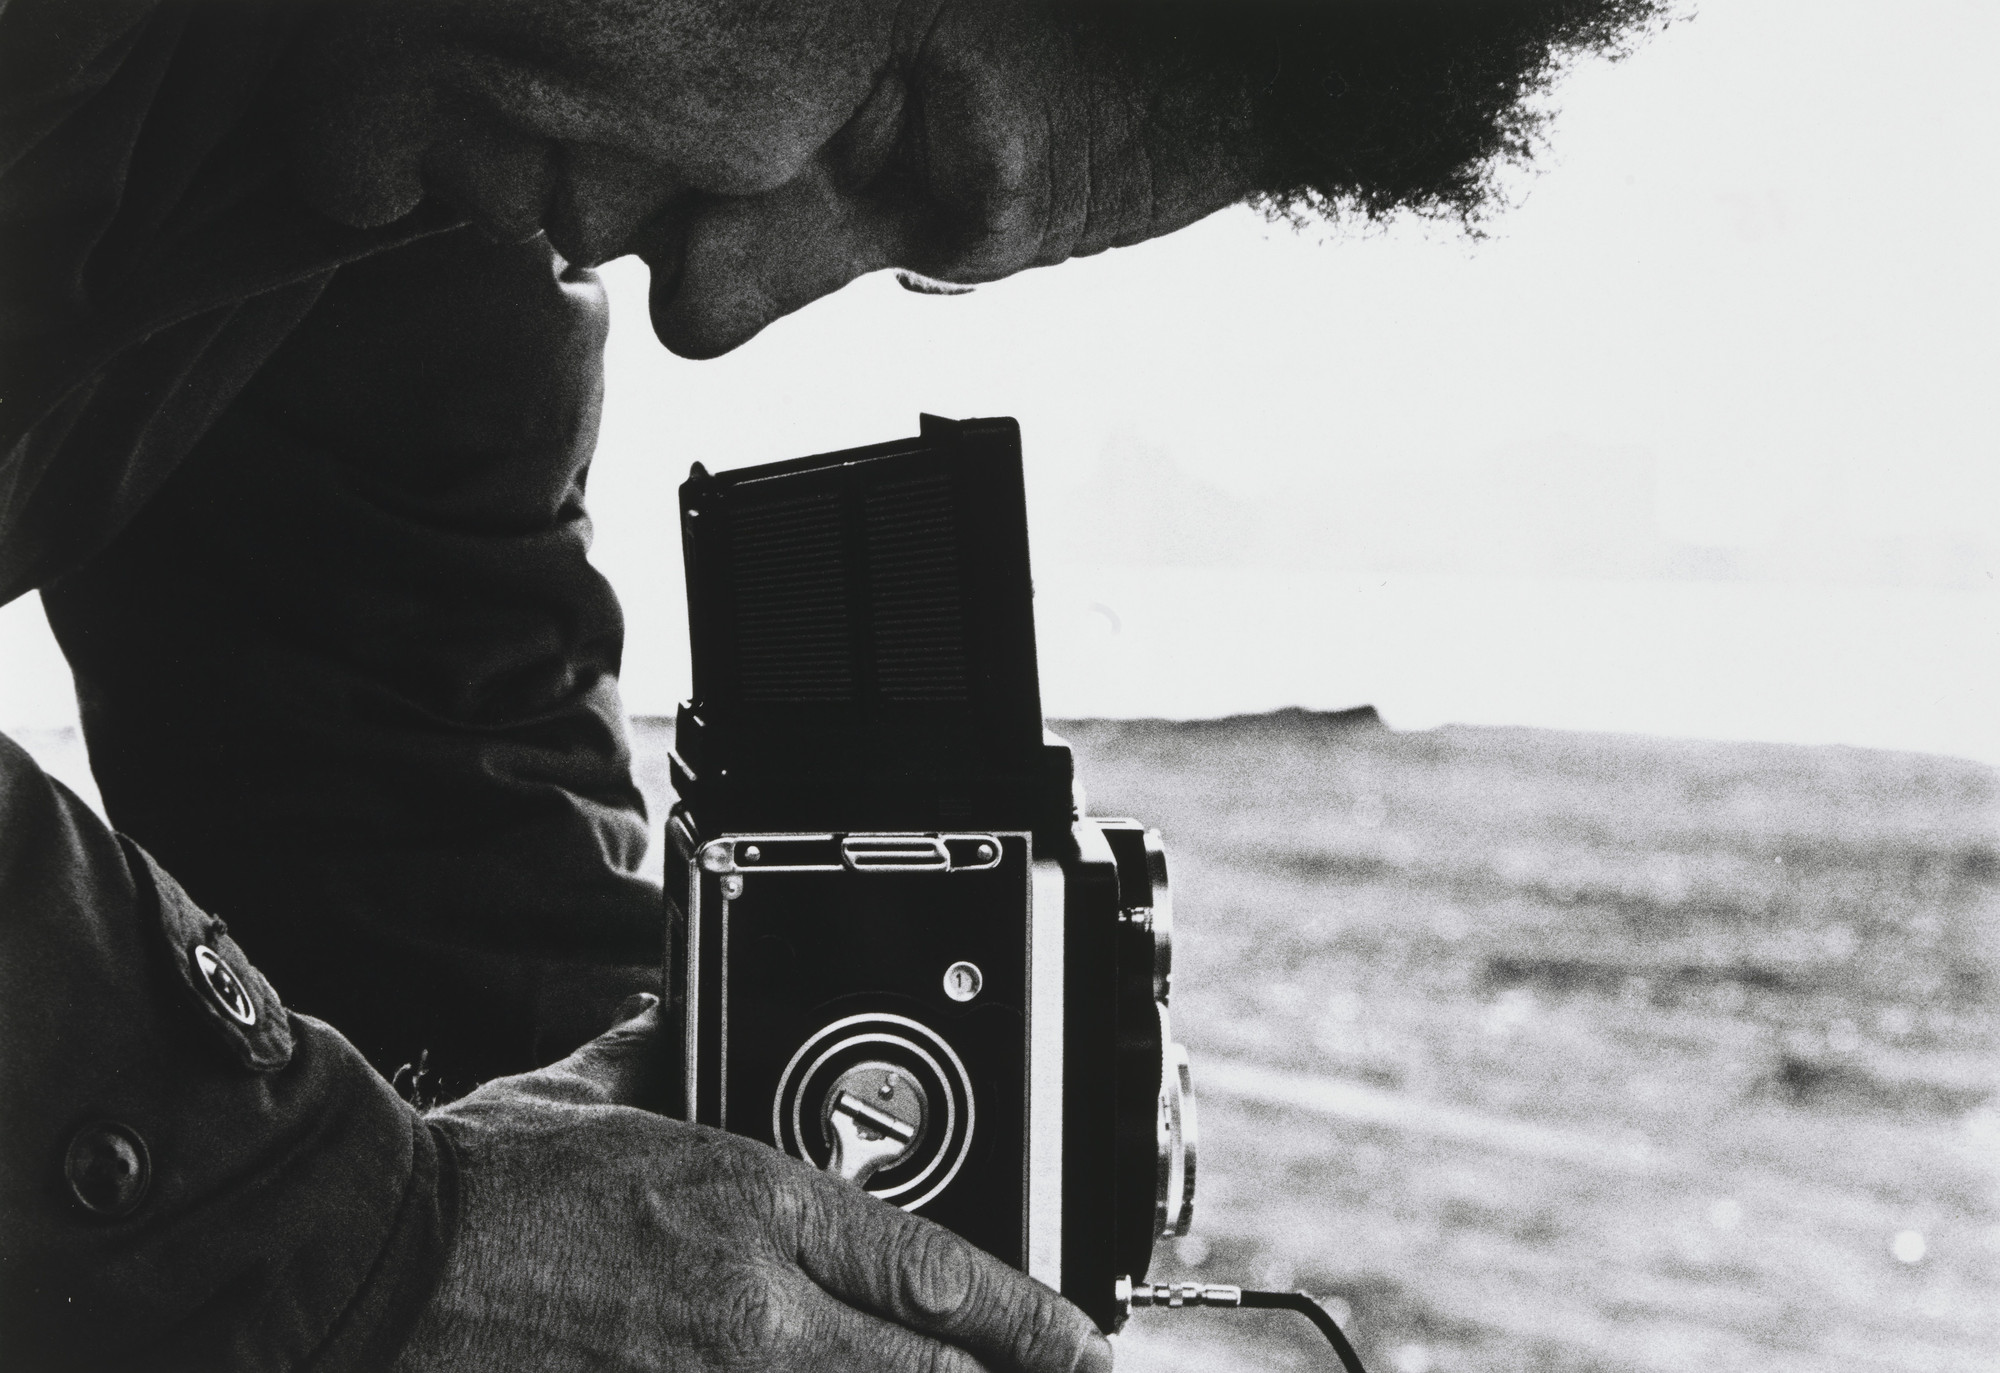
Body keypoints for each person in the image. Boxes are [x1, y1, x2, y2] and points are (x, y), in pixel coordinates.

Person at [0, 1, 1664, 1368]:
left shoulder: (427, 192)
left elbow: (412, 758)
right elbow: (388, 1247)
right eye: (884, 135)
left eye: (909, 257)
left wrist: (754, 1237)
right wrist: (370, 1239)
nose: (722, 309)